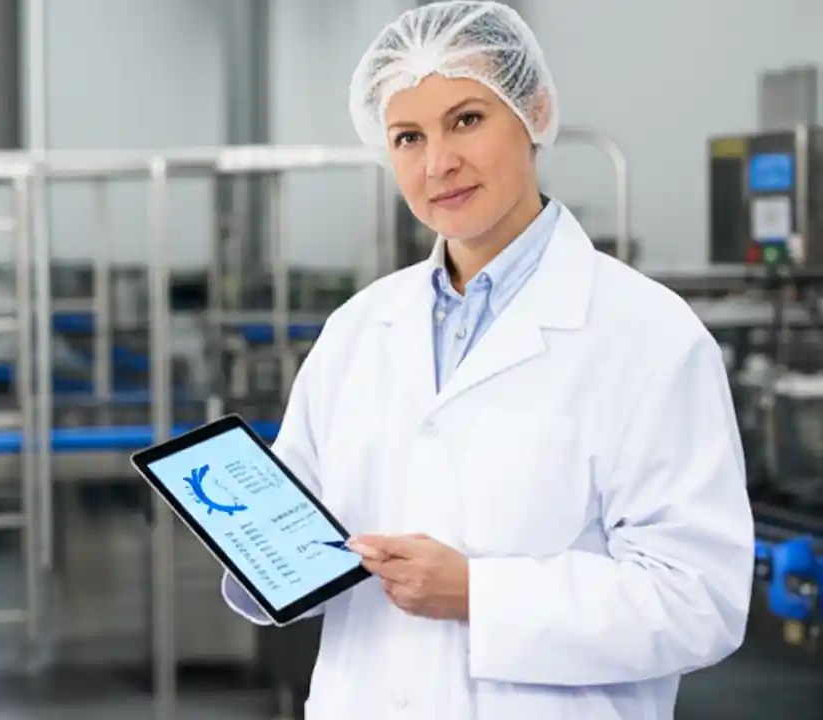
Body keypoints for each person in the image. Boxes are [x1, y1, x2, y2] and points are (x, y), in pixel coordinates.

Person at [218, 2, 755, 717]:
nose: (438, 163)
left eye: (466, 120)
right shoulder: (359, 329)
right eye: (408, 137)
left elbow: (698, 599)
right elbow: (306, 529)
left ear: (534, 112)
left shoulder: (648, 334)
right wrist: (263, 558)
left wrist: (479, 594)